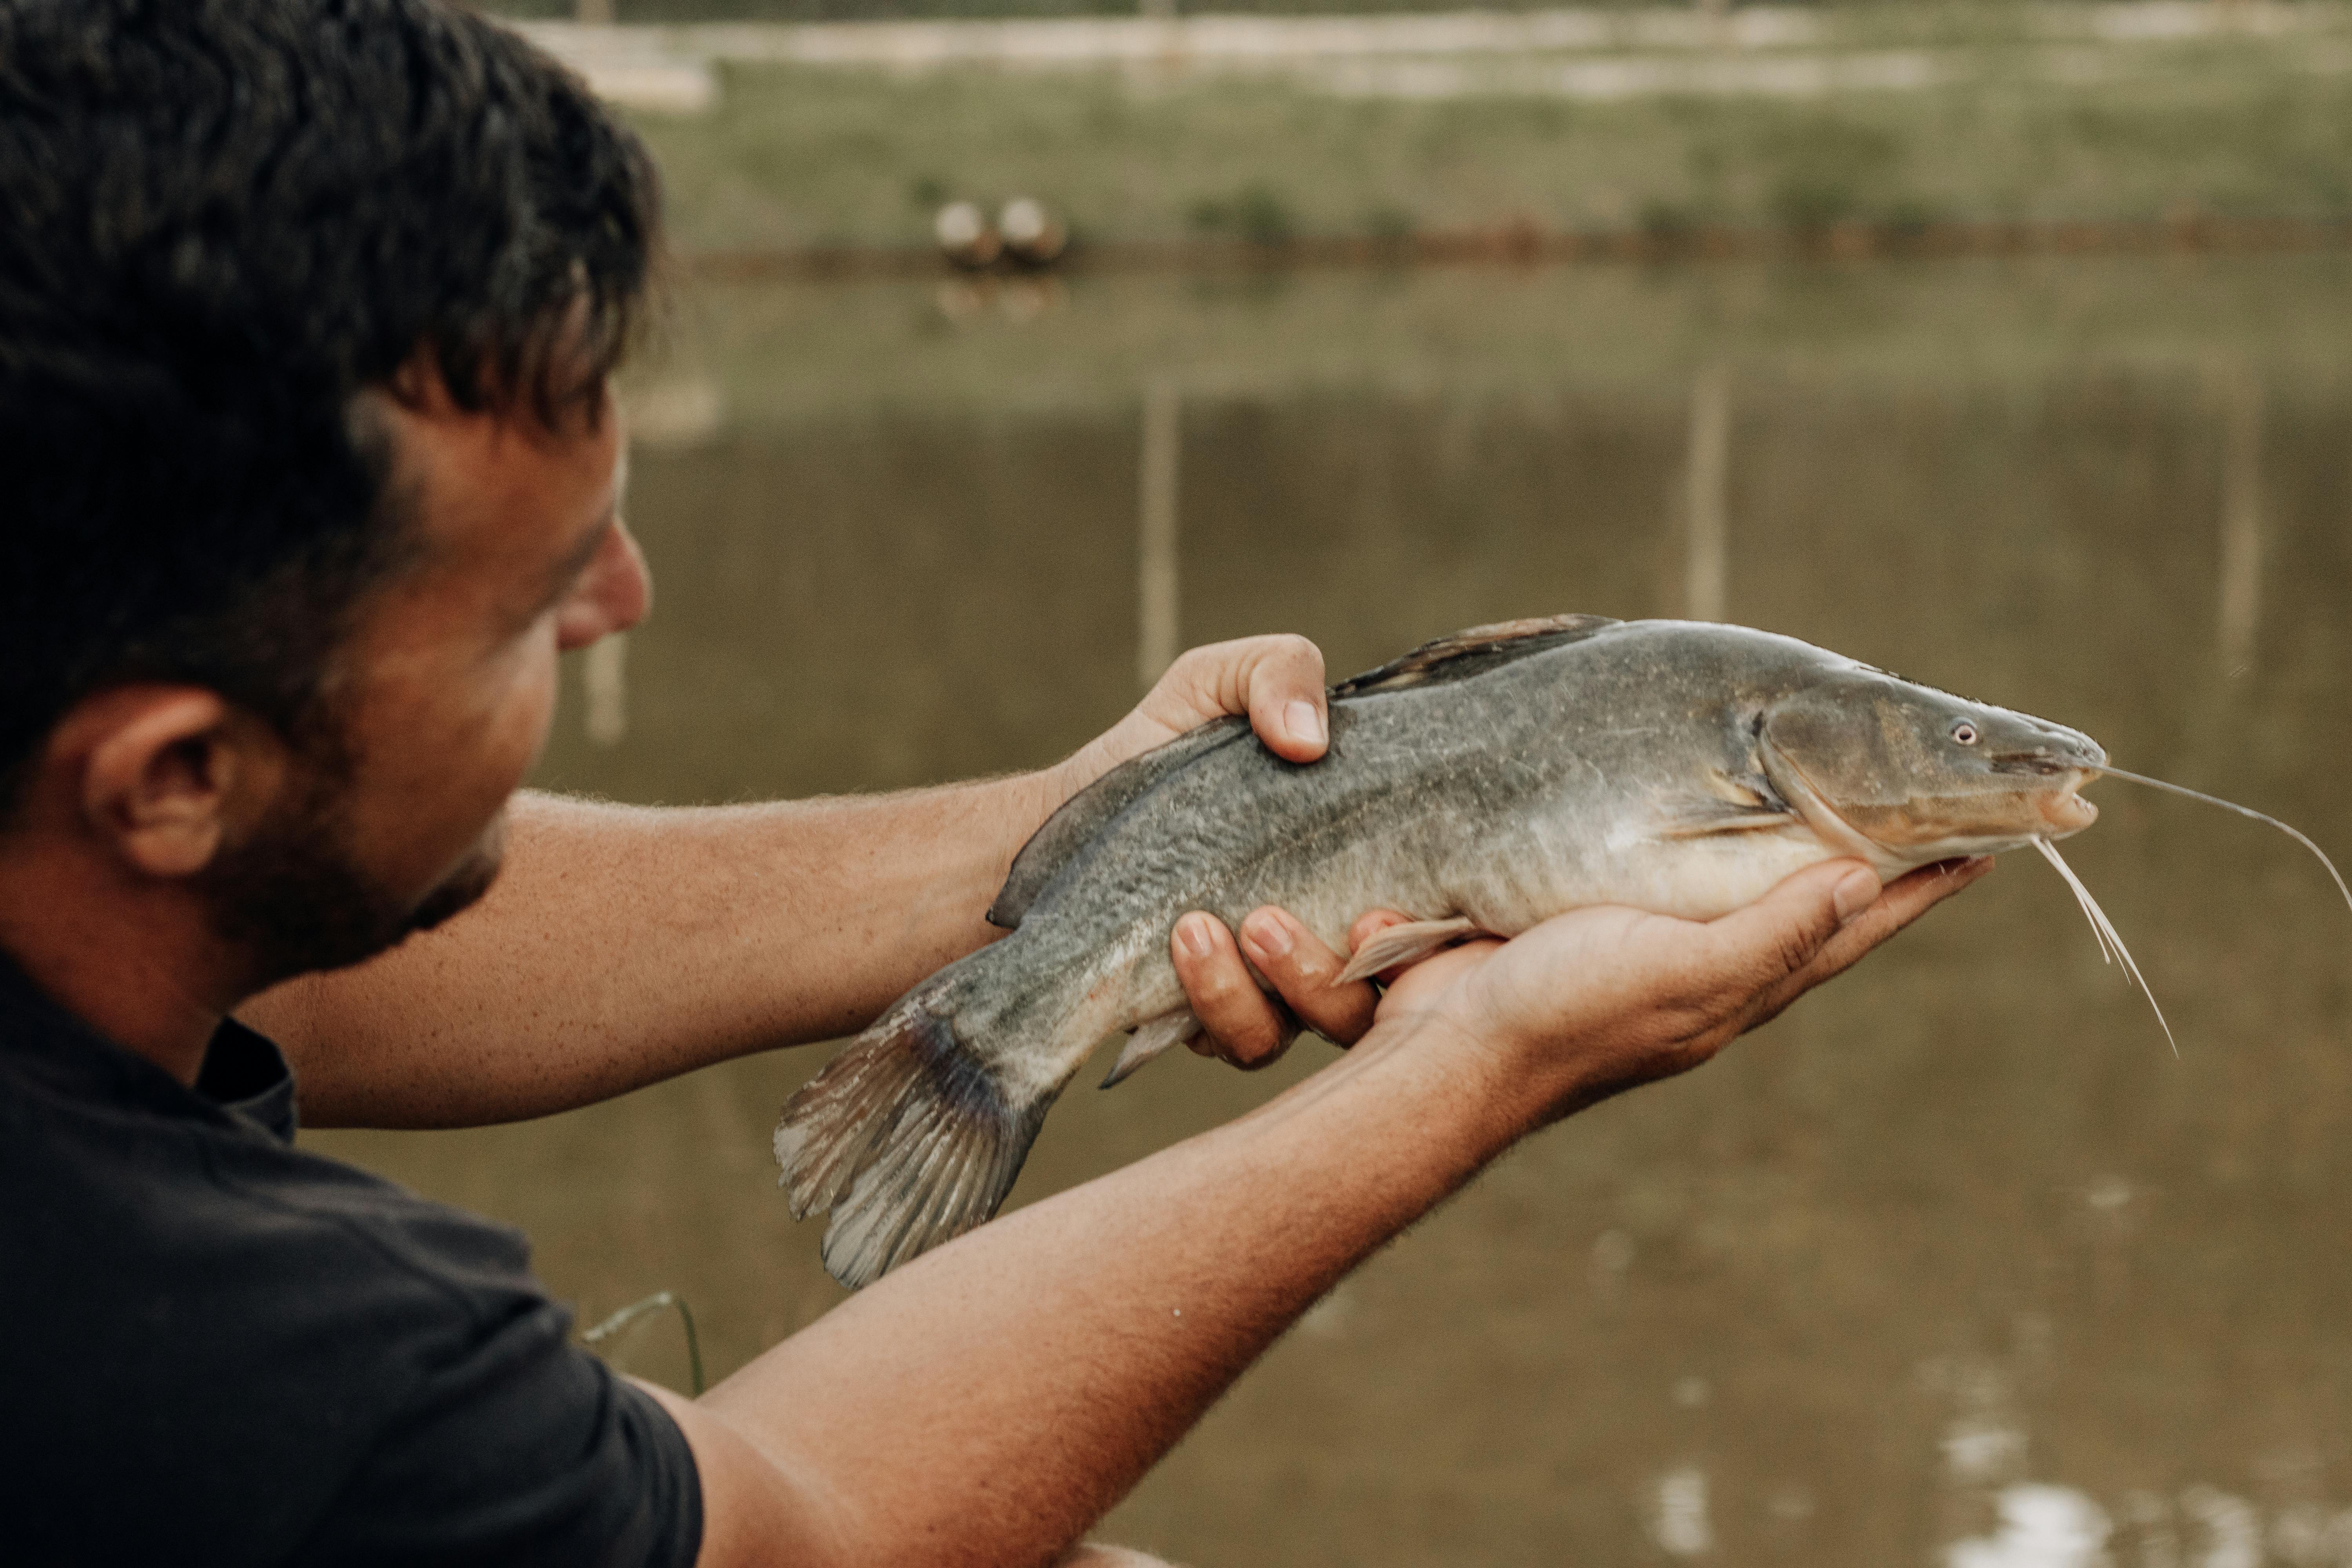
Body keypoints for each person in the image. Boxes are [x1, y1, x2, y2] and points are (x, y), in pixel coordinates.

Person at [0, 2, 1989, 1563]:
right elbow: (798, 1532)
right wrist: (1480, 1068)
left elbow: (302, 952)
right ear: (174, 774)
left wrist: (1116, 824)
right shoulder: (205, 1343)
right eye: (531, 602)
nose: (627, 597)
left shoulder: (97, 864)